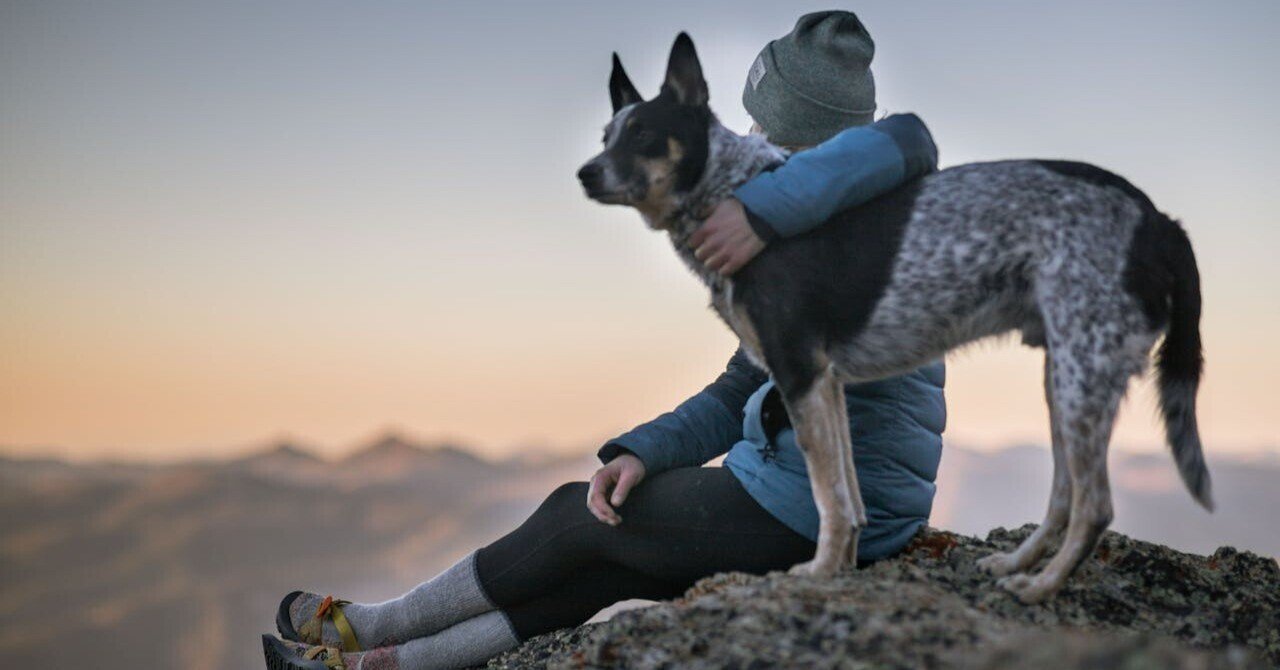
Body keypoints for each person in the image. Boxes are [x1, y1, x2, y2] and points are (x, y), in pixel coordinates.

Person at [263, 11, 946, 670]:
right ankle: (380, 664)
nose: (747, 134)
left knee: (577, 519)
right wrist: (643, 452)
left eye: (763, 122)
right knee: (598, 566)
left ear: (803, 139)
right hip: (800, 487)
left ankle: (369, 627)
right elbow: (743, 381)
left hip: (829, 507)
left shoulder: (864, 228)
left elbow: (910, 139)